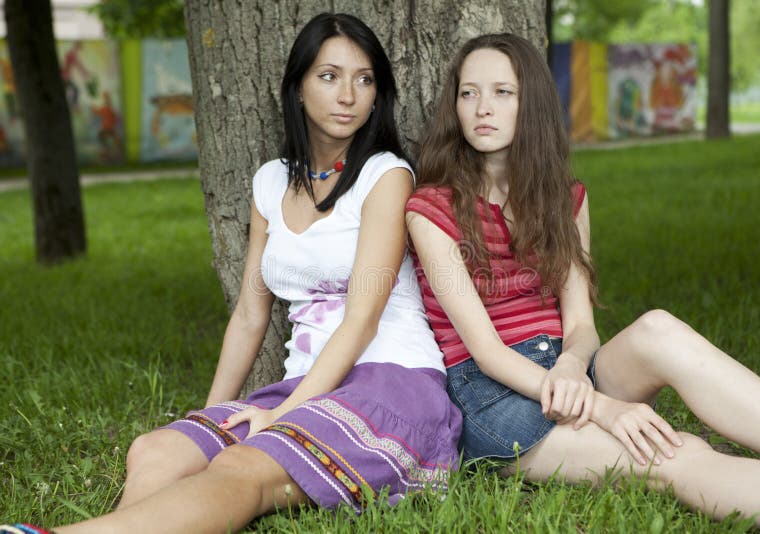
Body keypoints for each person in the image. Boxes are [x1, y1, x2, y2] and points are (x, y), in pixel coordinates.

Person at [1, 13, 460, 534]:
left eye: (364, 79)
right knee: (156, 449)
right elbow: (248, 314)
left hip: (390, 382)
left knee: (241, 467)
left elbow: (362, 320)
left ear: (378, 96)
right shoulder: (270, 182)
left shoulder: (386, 175)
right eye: (329, 76)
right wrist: (208, 422)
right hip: (307, 382)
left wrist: (284, 413)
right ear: (298, 87)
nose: (348, 95)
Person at [405, 33, 760, 530]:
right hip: (494, 398)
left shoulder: (563, 198)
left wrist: (572, 365)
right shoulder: (431, 210)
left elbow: (581, 324)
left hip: (565, 369)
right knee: (670, 455)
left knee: (658, 329)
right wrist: (604, 409)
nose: (482, 107)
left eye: (503, 92)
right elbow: (486, 352)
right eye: (469, 93)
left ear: (533, 104)